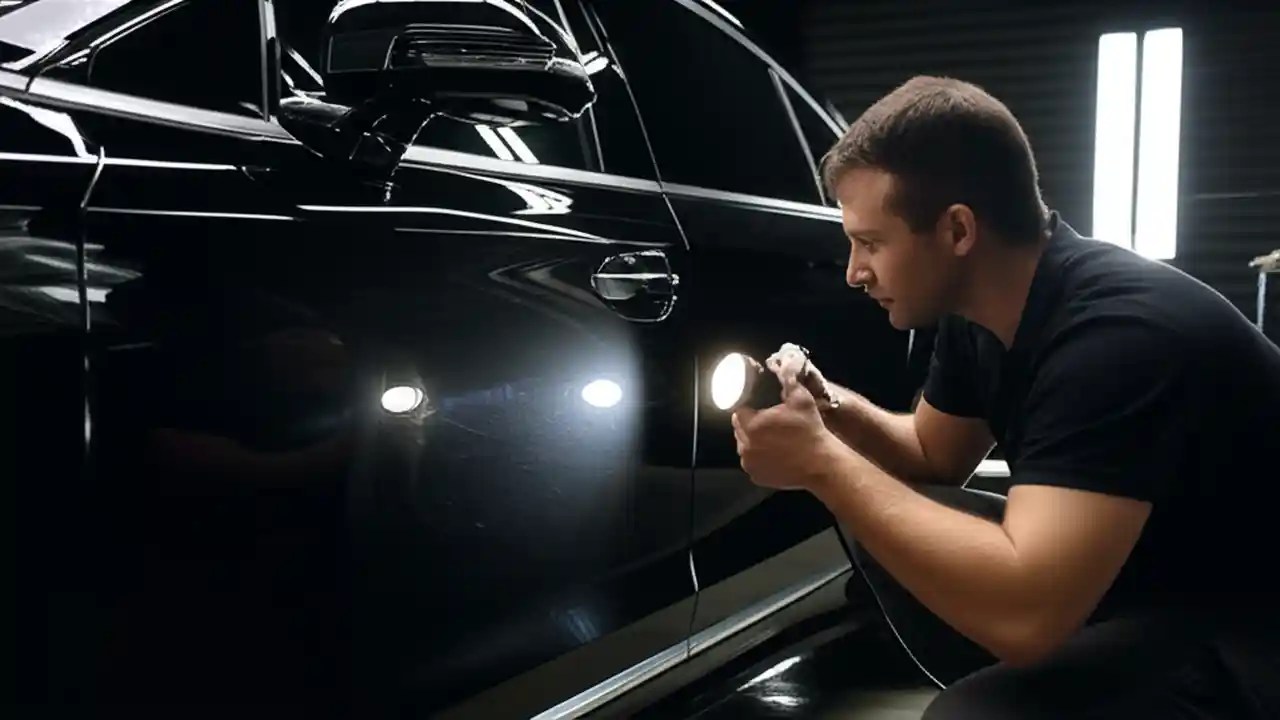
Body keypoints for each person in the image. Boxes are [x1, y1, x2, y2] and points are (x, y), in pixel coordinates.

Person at [731, 75, 1280, 718]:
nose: (854, 271)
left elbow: (1028, 616)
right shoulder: (983, 312)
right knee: (896, 521)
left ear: (958, 230)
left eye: (871, 242)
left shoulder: (1116, 338)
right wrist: (831, 411)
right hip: (1155, 580)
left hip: (1252, 623)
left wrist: (822, 464)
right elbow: (931, 457)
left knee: (974, 716)